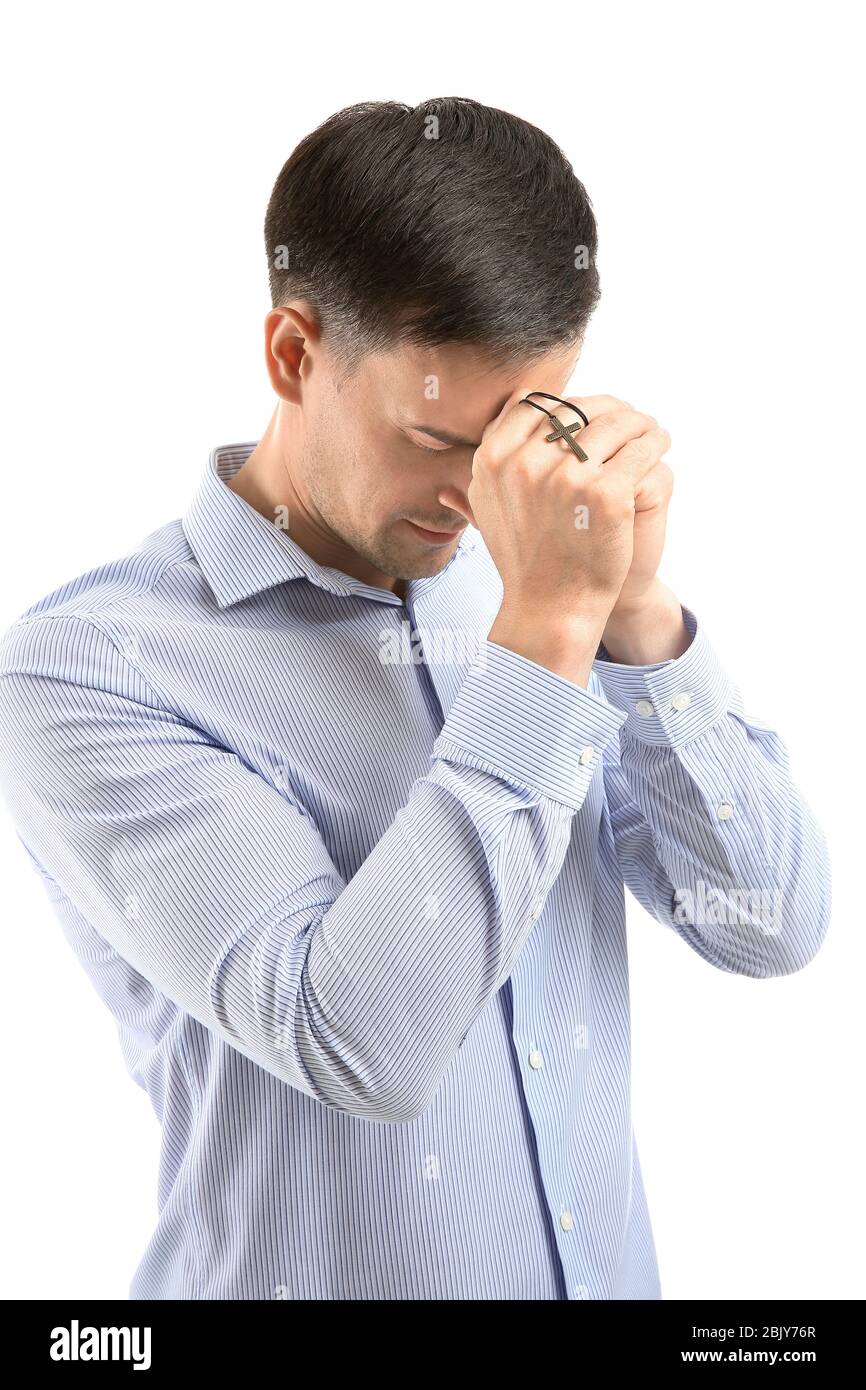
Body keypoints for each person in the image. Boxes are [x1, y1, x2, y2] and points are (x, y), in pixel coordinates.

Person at [0, 97, 831, 1300]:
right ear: (292, 354)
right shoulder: (91, 670)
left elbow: (767, 923)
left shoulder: (538, 567)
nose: (481, 493)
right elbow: (361, 1044)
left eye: (526, 427)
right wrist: (548, 636)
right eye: (440, 437)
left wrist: (637, 614)